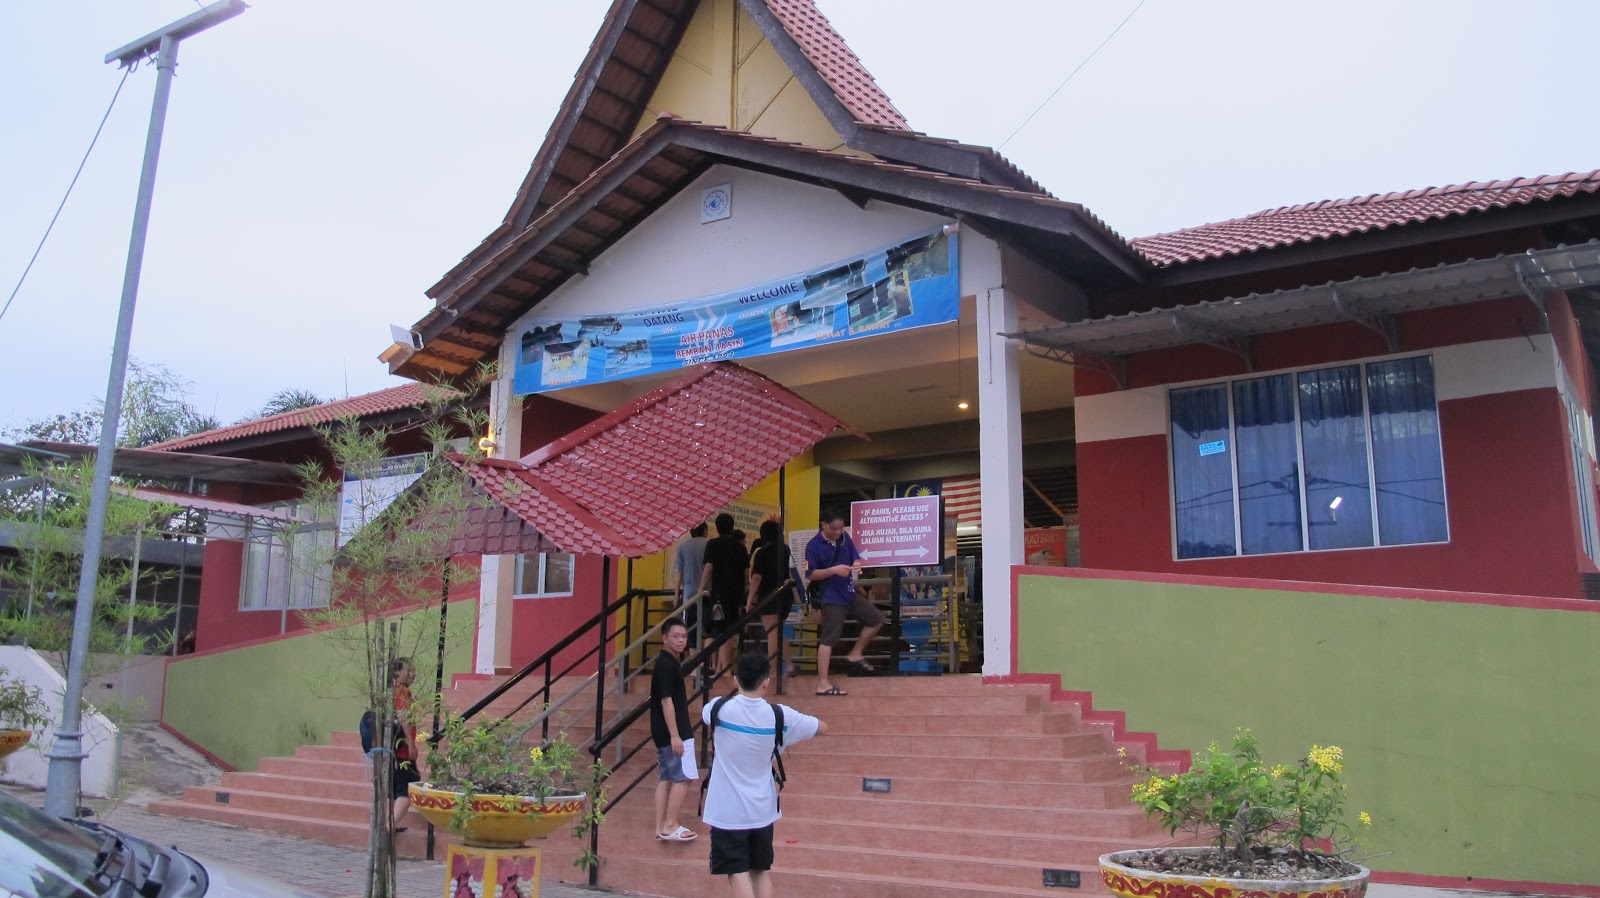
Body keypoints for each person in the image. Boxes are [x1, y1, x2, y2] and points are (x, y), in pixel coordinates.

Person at [702, 652, 825, 898]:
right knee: (760, 871)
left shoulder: (716, 708)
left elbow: (709, 720)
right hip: (763, 809)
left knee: (736, 872)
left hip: (727, 812)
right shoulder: (780, 715)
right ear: (766, 681)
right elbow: (821, 727)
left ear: (735, 680)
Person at [803, 507, 885, 696]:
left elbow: (855, 557)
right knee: (829, 640)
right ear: (824, 525)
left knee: (877, 619)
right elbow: (811, 574)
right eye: (834, 528)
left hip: (849, 593)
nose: (838, 532)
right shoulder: (813, 545)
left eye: (841, 528)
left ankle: (855, 653)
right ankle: (822, 683)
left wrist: (857, 564)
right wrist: (833, 570)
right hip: (831, 598)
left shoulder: (845, 538)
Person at [650, 617, 698, 842]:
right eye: (675, 636)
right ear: (664, 638)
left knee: (666, 777)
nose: (681, 640)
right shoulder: (667, 665)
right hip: (674, 731)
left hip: (662, 731)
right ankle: (670, 824)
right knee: (684, 776)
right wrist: (676, 735)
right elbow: (666, 701)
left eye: (684, 636)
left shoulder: (666, 663)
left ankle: (660, 826)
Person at [701, 512, 750, 677]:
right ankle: (725, 669)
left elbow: (709, 567)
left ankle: (720, 668)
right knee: (730, 630)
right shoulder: (740, 546)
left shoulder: (713, 544)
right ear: (732, 526)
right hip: (735, 594)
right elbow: (746, 572)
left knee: (718, 629)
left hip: (718, 594)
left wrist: (701, 588)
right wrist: (745, 588)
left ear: (717, 527)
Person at [746, 519, 795, 678]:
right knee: (778, 631)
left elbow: (756, 579)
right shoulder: (785, 549)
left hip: (769, 596)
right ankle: (789, 665)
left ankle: (773, 671)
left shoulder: (762, 552)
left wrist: (749, 600)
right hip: (785, 595)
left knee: (772, 633)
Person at [389, 658, 419, 832]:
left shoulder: (391, 691)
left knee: (393, 789)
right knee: (408, 789)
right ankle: (389, 826)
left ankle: (388, 823)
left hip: (391, 751)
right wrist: (411, 744)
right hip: (401, 751)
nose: (412, 674)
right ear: (397, 673)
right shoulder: (401, 691)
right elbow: (403, 717)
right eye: (408, 670)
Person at [674, 521, 710, 641]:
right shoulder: (709, 544)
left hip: (689, 595)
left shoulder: (683, 546)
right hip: (707, 593)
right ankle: (707, 657)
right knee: (709, 631)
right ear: (705, 530)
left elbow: (679, 573)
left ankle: (695, 658)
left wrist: (676, 595)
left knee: (691, 633)